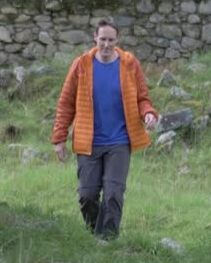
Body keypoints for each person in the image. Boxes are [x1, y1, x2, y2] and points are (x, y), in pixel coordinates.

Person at [51, 18, 158, 240]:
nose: (106, 45)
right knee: (87, 195)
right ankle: (95, 234)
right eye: (102, 40)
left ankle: (107, 241)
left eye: (111, 40)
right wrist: (59, 138)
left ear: (117, 39)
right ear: (95, 38)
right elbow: (66, 103)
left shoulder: (129, 64)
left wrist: (148, 113)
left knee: (113, 194)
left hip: (119, 141)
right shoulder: (81, 65)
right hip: (88, 142)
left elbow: (142, 98)